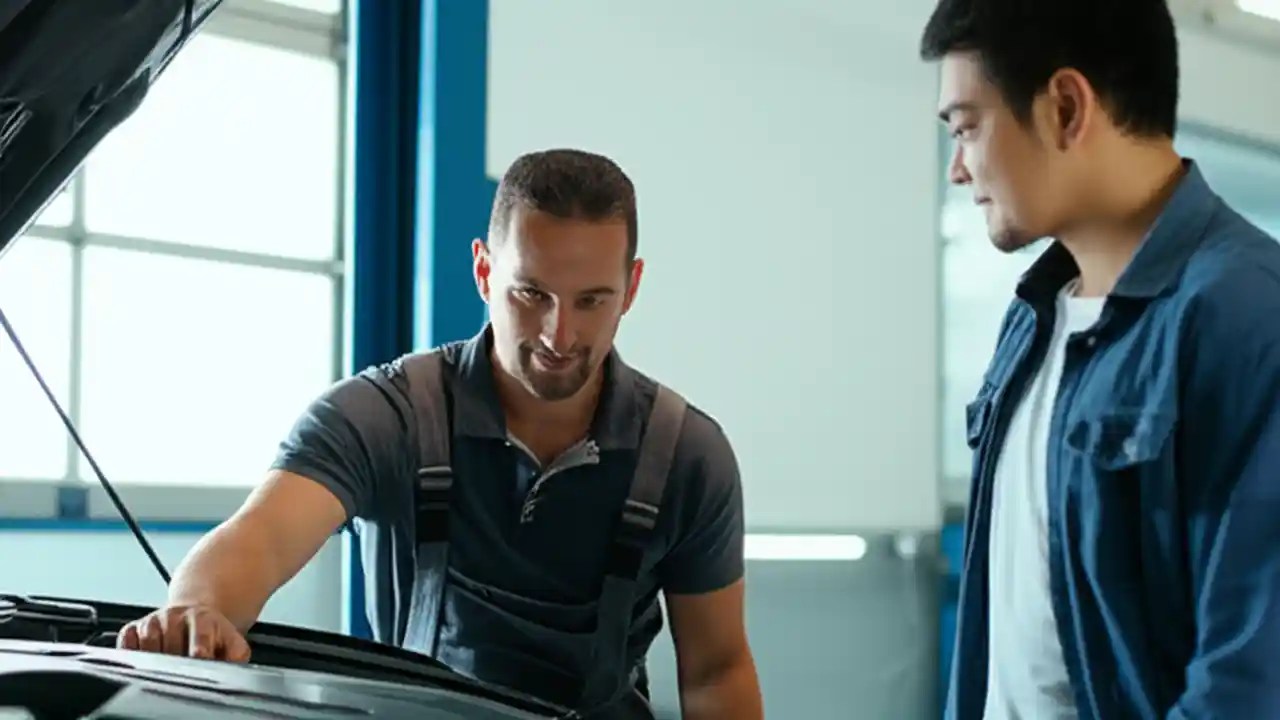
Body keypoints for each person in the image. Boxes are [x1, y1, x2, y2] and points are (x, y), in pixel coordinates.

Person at [116, 148, 764, 719]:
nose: (557, 335)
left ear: (631, 288)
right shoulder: (385, 417)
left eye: (591, 300)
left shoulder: (688, 458)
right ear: (484, 273)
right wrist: (199, 610)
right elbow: (259, 537)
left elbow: (716, 673)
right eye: (530, 294)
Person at [920, 0, 1280, 718]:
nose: (959, 168)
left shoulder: (1246, 316)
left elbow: (1248, 680)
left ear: (1063, 107)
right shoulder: (1031, 321)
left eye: (967, 127)